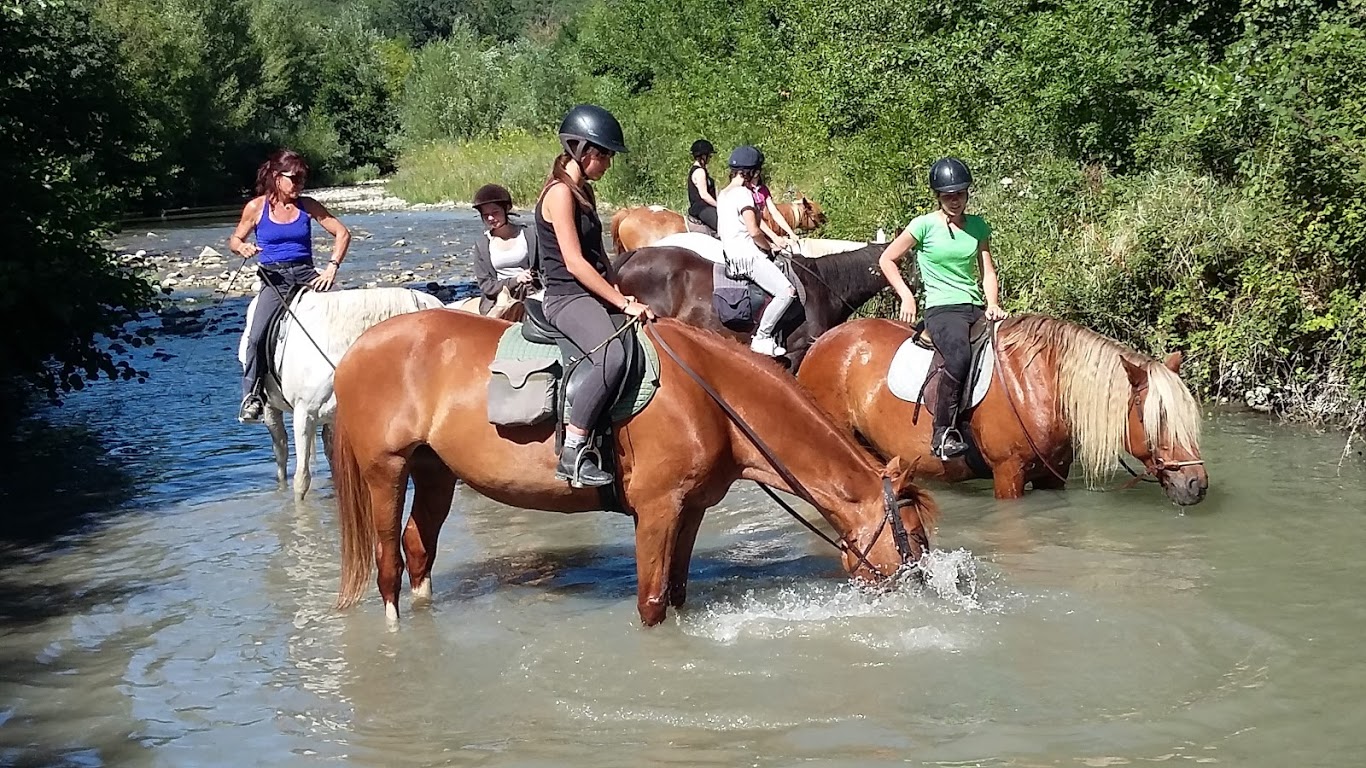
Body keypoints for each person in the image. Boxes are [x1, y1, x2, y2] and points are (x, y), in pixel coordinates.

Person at [536, 104, 653, 488]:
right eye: (604, 155)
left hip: (590, 292)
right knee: (611, 355)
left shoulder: (582, 191)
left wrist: (620, 291)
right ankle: (573, 449)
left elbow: (598, 256)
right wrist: (622, 304)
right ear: (581, 150)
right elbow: (574, 263)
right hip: (566, 297)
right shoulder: (559, 194)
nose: (608, 163)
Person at [878, 157, 1007, 460]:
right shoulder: (922, 226)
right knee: (959, 357)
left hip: (974, 306)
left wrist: (992, 303)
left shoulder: (977, 227)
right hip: (942, 309)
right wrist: (907, 296)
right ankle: (942, 433)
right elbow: (887, 259)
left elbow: (987, 271)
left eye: (959, 194)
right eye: (948, 196)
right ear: (938, 196)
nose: (955, 201)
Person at [229, 149, 351, 424]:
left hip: (307, 274)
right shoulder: (256, 208)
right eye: (293, 178)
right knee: (257, 336)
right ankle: (253, 396)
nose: (299, 184)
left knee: (348, 318)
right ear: (276, 177)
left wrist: (332, 267)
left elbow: (342, 233)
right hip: (275, 279)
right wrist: (243, 248)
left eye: (302, 178)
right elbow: (235, 240)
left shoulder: (308, 206)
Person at [716, 145, 796, 357]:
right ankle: (762, 336)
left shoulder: (723, 194)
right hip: (748, 258)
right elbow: (753, 231)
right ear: (751, 172)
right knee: (787, 291)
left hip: (730, 256)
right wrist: (770, 247)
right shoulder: (744, 194)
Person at [471, 183, 540, 315]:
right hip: (500, 299)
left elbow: (544, 268)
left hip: (531, 292)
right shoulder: (482, 245)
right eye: (486, 215)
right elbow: (486, 285)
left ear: (506, 209)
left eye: (495, 213)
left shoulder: (530, 235)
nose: (490, 218)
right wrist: (515, 280)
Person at [752, 171, 801, 251]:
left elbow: (774, 212)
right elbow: (755, 218)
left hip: (763, 227)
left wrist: (791, 233)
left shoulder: (763, 189)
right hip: (751, 228)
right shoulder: (746, 191)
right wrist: (774, 237)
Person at [686, 139, 719, 234]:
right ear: (703, 156)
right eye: (709, 156)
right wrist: (718, 205)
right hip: (703, 208)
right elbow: (704, 195)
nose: (710, 159)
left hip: (703, 208)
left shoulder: (699, 170)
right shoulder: (699, 172)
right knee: (724, 226)